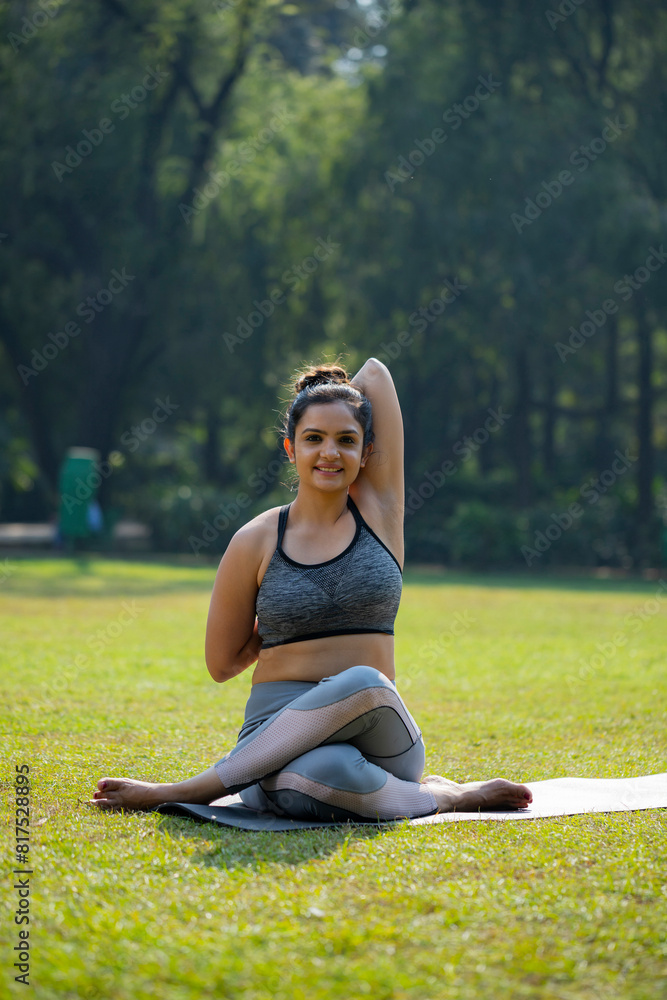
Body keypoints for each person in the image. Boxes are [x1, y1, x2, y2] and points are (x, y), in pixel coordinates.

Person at [92, 359, 532, 819]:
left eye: (346, 440)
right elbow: (221, 665)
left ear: (366, 454)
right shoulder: (255, 540)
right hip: (276, 732)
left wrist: (332, 395)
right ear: (290, 448)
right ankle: (444, 797)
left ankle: (197, 788)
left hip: (378, 730)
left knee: (363, 681)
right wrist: (280, 629)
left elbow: (376, 375)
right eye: (313, 438)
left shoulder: (381, 515)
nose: (330, 452)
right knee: (322, 773)